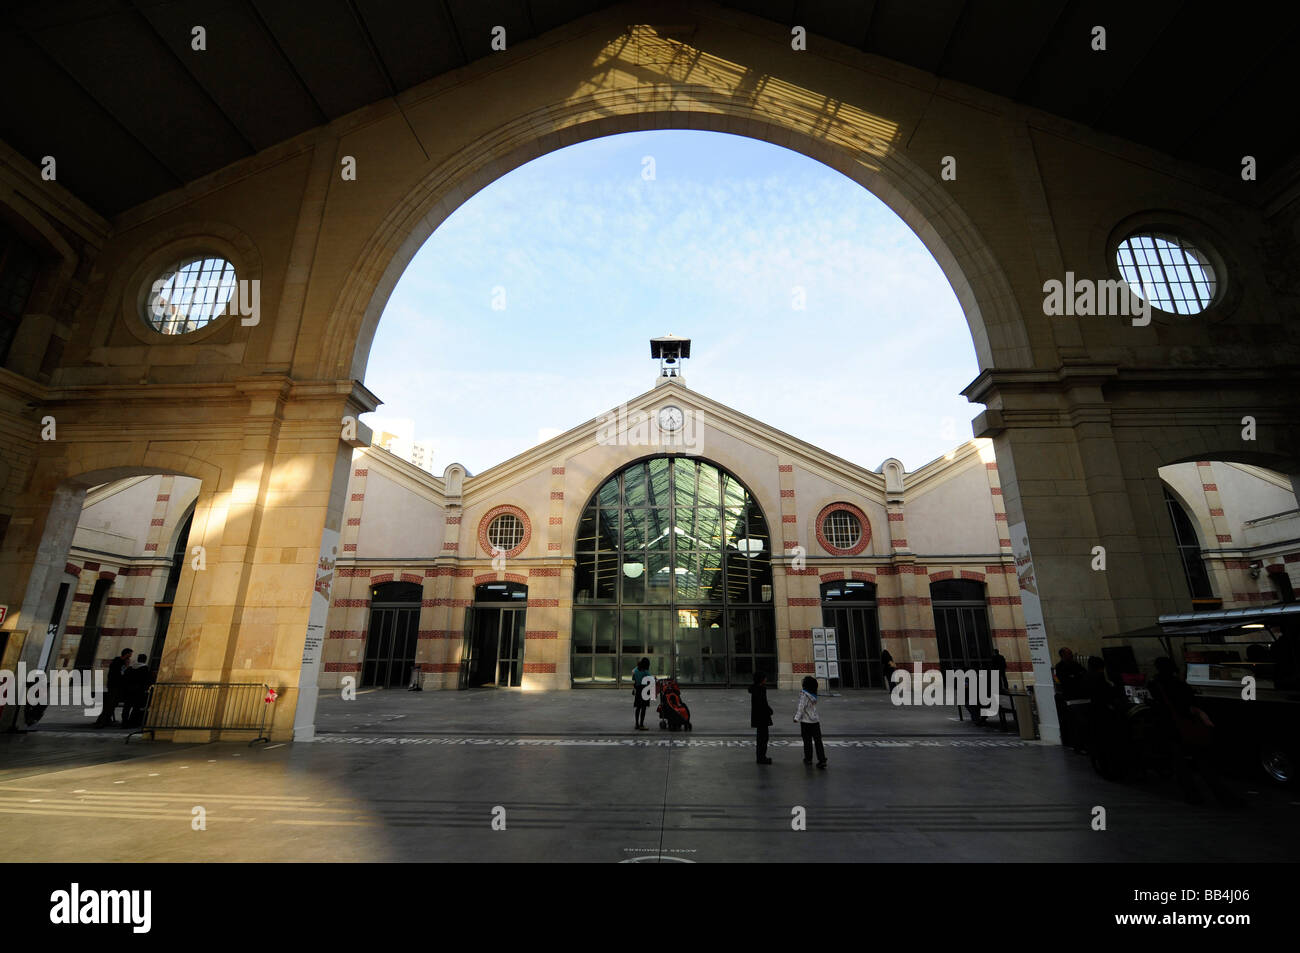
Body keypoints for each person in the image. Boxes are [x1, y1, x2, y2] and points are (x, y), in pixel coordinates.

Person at [1149, 656, 1239, 806]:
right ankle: (1223, 795)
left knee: (1181, 765)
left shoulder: (1155, 685)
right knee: (1203, 763)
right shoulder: (1180, 685)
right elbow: (1191, 704)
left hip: (1172, 728)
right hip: (1188, 726)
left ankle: (1192, 795)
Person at [793, 675, 826, 768]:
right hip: (815, 721)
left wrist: (796, 718)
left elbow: (801, 707)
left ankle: (808, 759)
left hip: (806, 721)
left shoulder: (804, 694)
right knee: (818, 741)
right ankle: (822, 759)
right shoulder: (813, 694)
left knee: (807, 741)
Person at [95, 648, 133, 727]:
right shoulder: (118, 663)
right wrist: (126, 666)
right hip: (115, 686)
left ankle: (104, 720)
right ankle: (102, 722)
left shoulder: (117, 662)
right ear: (126, 654)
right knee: (110, 704)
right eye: (130, 655)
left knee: (112, 704)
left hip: (114, 686)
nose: (130, 657)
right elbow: (121, 674)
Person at [122, 654, 156, 728]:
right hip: (139, 691)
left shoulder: (131, 668)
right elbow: (148, 680)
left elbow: (125, 678)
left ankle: (124, 722)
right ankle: (131, 722)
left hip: (129, 690)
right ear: (145, 659)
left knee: (127, 707)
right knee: (136, 707)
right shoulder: (145, 669)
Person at [749, 671, 774, 764]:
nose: (766, 679)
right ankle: (762, 757)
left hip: (757, 716)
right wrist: (769, 711)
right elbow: (763, 703)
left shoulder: (755, 689)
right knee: (763, 738)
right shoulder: (761, 689)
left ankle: (760, 757)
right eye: (764, 678)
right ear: (761, 680)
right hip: (762, 717)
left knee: (760, 738)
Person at [631, 657, 652, 730]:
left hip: (638, 690)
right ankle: (641, 725)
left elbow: (633, 678)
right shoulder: (645, 671)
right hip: (644, 690)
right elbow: (650, 680)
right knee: (643, 708)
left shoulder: (636, 670)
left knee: (638, 707)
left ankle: (636, 724)